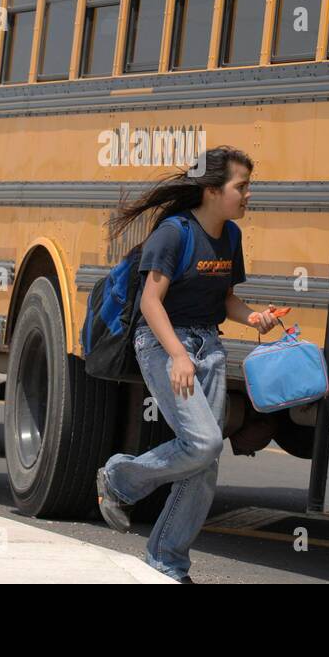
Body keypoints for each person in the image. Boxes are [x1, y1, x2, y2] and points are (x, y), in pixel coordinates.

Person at [95, 146, 280, 583]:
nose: (249, 195)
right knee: (202, 444)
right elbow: (149, 302)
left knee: (204, 462)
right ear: (214, 190)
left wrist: (254, 318)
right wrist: (178, 355)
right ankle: (120, 478)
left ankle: (167, 563)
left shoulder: (230, 237)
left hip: (209, 345)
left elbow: (226, 298)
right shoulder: (174, 234)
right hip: (162, 344)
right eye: (242, 186)